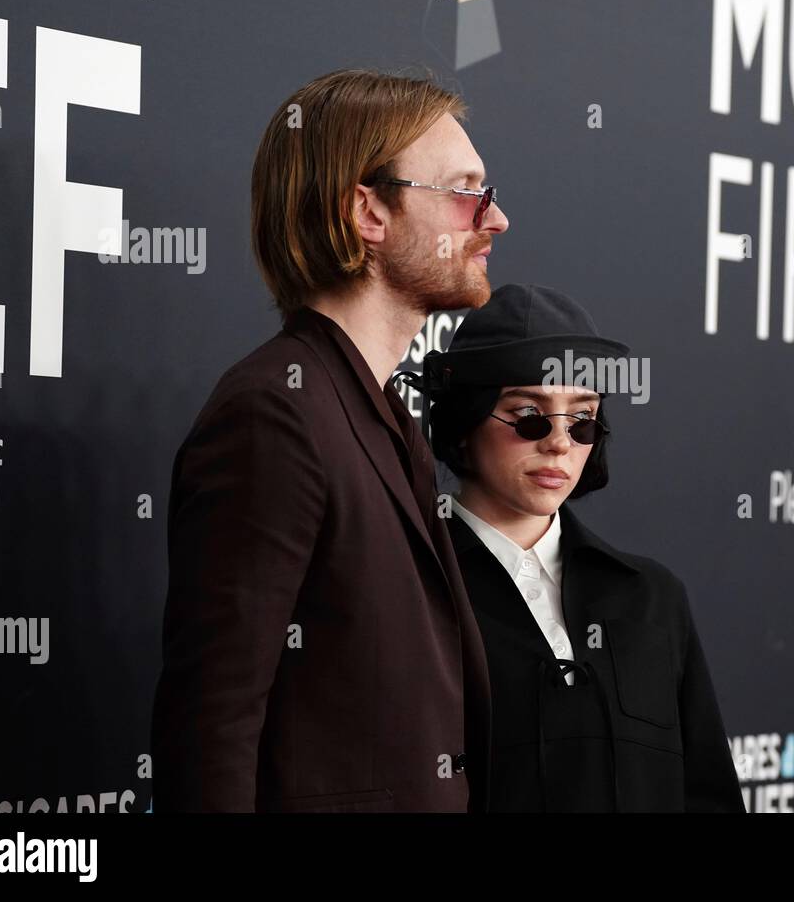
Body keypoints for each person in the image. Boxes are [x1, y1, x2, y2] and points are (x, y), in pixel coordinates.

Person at [150, 69, 508, 811]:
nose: (495, 220)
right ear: (368, 212)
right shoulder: (273, 414)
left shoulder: (378, 415)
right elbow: (211, 727)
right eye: (466, 191)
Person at [401, 283, 744, 811]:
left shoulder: (651, 598)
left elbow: (708, 794)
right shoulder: (412, 591)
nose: (559, 442)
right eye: (529, 416)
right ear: (465, 422)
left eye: (582, 420)